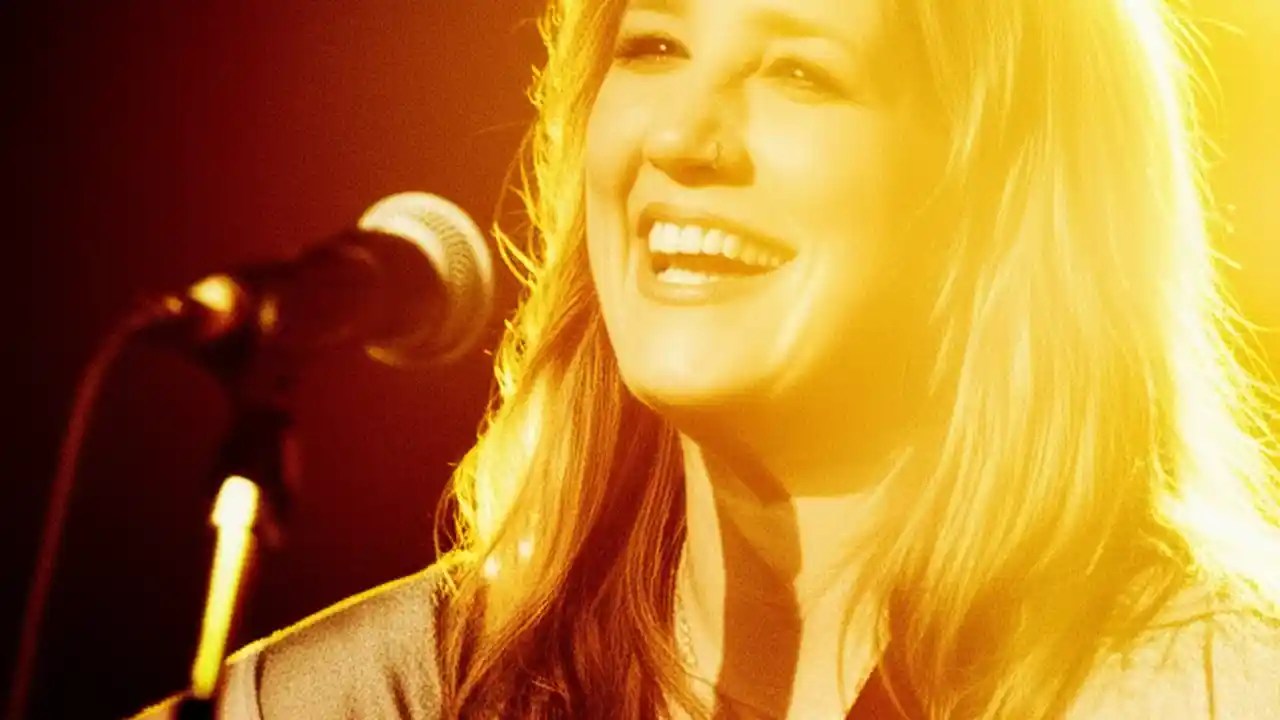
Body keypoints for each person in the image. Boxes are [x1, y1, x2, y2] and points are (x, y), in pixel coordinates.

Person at [135, 0, 1280, 717]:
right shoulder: (377, 698)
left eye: (798, 72)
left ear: (999, 194)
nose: (680, 137)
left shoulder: (1217, 688)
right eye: (653, 46)